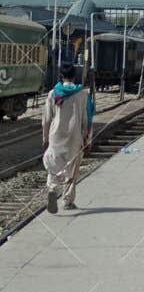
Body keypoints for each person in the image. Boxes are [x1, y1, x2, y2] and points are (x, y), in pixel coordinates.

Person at [42, 62, 94, 214]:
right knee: (72, 167)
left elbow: (46, 118)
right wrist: (87, 138)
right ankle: (68, 200)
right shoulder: (83, 94)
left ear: (61, 76)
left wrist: (45, 138)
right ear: (74, 76)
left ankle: (52, 188)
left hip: (56, 134)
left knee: (53, 164)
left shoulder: (53, 93)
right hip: (74, 135)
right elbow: (86, 119)